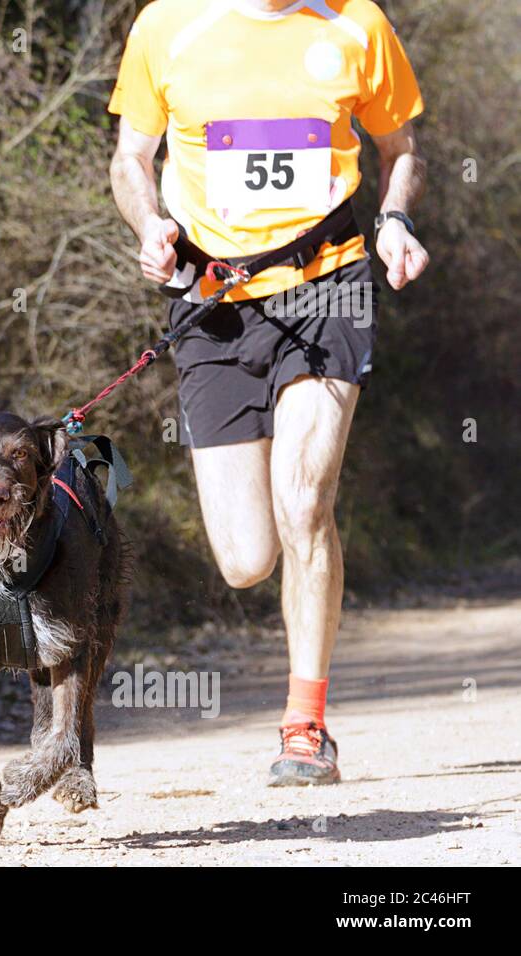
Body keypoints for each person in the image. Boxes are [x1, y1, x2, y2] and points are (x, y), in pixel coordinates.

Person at [107, 0, 428, 784]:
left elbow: (402, 148)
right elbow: (129, 160)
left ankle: (305, 726)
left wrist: (392, 219)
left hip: (328, 284)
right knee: (246, 559)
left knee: (304, 503)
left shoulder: (356, 23)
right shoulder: (167, 24)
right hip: (213, 303)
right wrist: (151, 225)